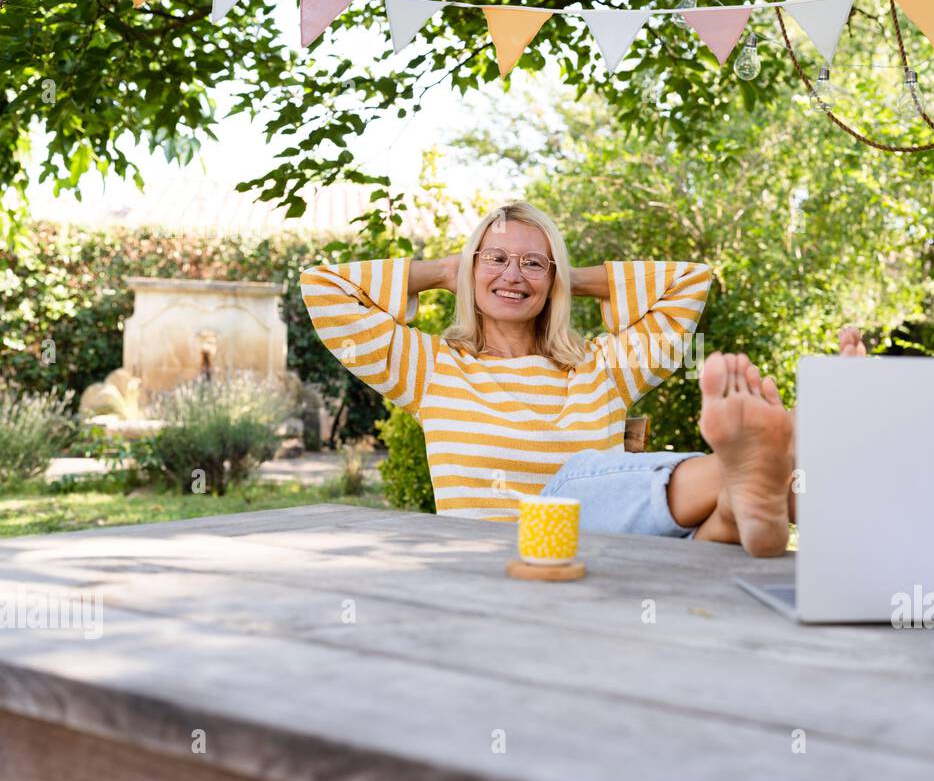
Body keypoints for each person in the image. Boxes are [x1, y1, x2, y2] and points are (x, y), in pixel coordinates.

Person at [301, 199, 795, 556]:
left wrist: (569, 279)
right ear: (470, 270)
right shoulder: (431, 367)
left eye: (533, 263)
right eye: (495, 259)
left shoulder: (601, 367)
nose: (513, 275)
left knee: (690, 522)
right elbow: (323, 289)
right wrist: (444, 270)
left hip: (604, 565)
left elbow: (687, 283)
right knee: (572, 488)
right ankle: (749, 470)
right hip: (489, 567)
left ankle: (740, 504)